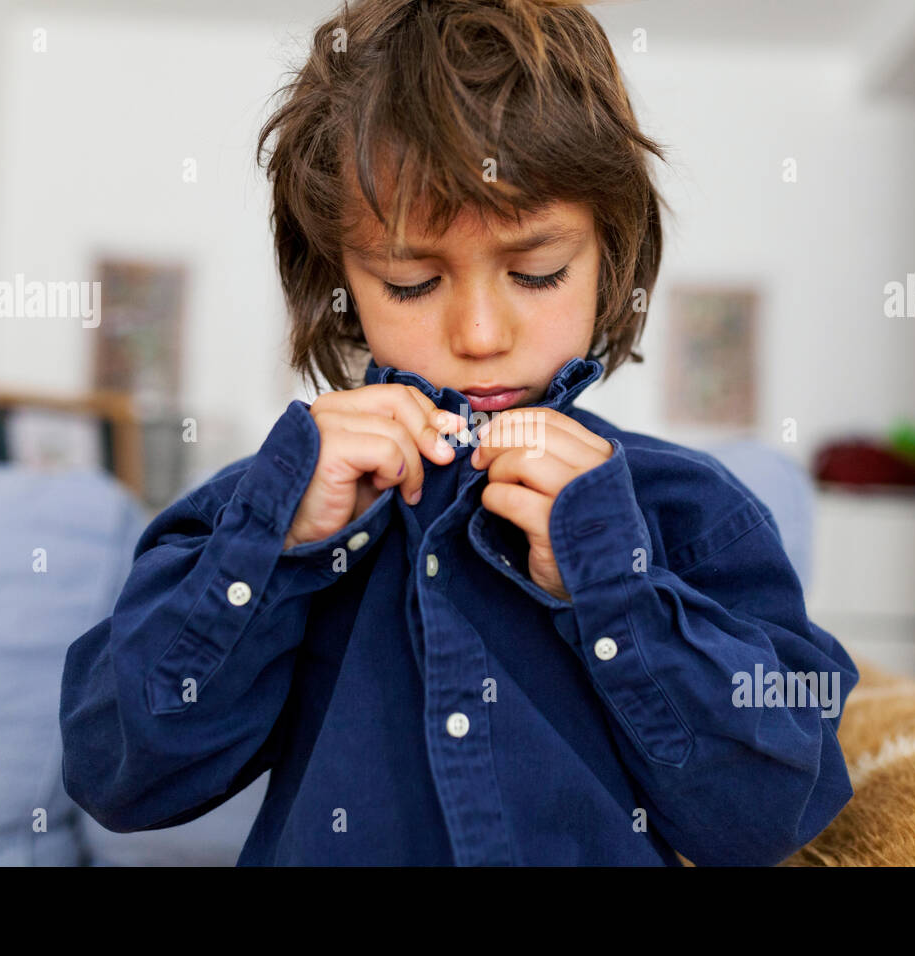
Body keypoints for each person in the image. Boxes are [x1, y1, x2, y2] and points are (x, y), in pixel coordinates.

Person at [59, 0, 859, 866]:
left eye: (536, 271)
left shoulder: (693, 511)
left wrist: (614, 588)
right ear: (340, 283)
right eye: (410, 282)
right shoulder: (265, 513)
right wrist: (273, 547)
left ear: (610, 258)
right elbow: (117, 776)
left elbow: (775, 811)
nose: (480, 334)